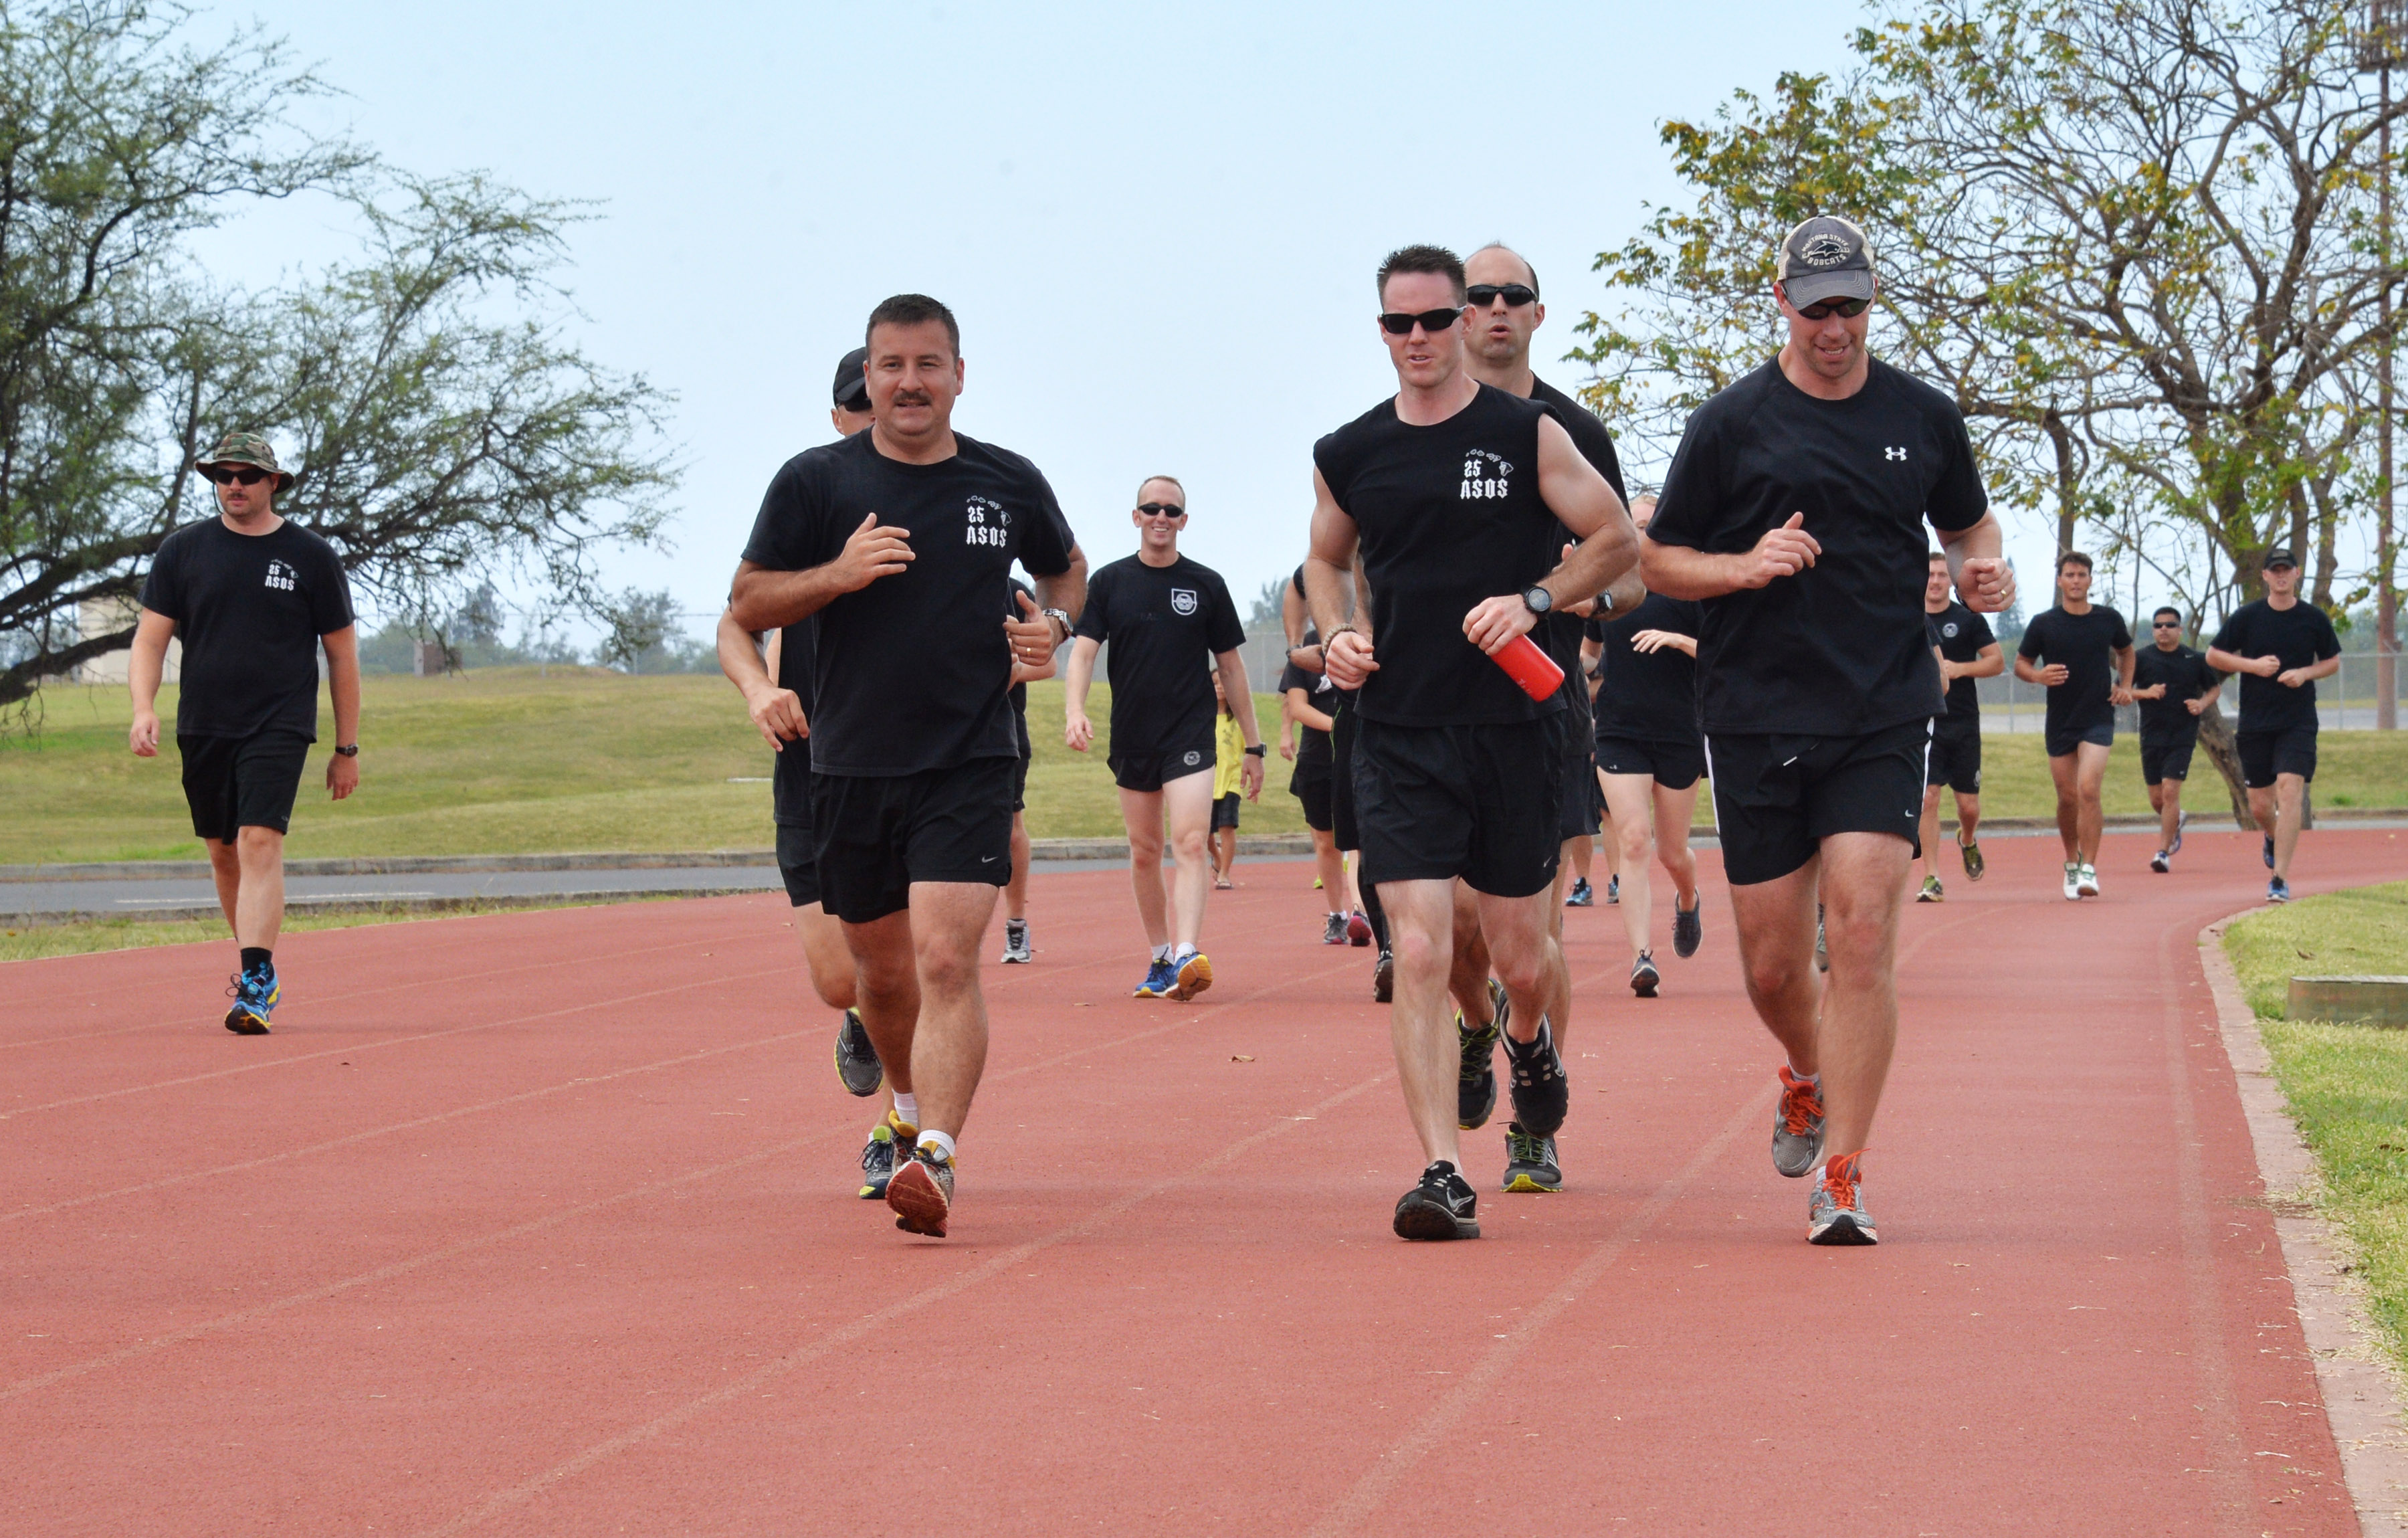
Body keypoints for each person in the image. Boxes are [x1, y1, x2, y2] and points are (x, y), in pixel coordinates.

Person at [1641, 215, 2012, 1246]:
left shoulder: (1923, 416)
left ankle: (1842, 1174)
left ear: (1872, 299)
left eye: (1850, 306)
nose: (1835, 327)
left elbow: (1969, 526)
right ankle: (1806, 1070)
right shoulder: (1730, 424)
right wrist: (1743, 566)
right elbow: (1658, 558)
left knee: (1858, 933)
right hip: (1755, 715)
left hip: (1883, 706)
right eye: (1816, 310)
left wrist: (1983, 570)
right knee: (1772, 967)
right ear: (1782, 303)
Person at [728, 293, 1086, 1240]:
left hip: (969, 757)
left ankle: (937, 1152)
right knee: (880, 980)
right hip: (849, 765)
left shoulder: (1006, 480)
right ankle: (904, 1102)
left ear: (959, 375)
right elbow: (748, 601)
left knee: (946, 958)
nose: (910, 382)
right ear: (870, 376)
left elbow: (1068, 568)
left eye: (929, 364)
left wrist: (1054, 625)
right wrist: (837, 574)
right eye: (892, 365)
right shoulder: (815, 483)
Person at [1306, 243, 1641, 1240]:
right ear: (1381, 331)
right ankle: (1442, 1171)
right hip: (1399, 731)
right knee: (1418, 943)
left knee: (1523, 959)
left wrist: (1536, 597)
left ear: (1461, 323)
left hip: (1516, 730)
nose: (1417, 337)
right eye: (1398, 323)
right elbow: (1324, 559)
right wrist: (1338, 630)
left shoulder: (1528, 432)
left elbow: (1618, 542)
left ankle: (1524, 1041)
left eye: (1433, 319)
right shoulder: (1349, 450)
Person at [1453, 241, 1638, 1194]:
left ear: (1536, 312)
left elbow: (1630, 574)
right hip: (1432, 712)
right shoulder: (1414, 424)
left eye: (1512, 295)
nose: (1495, 308)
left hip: (1540, 706)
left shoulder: (1572, 430)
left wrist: (1559, 596)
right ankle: (1473, 1024)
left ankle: (1533, 1117)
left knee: (1534, 939)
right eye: (1478, 295)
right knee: (1453, 930)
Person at [714, 349, 890, 1193]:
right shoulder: (807, 505)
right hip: (811, 768)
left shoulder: (942, 504)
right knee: (840, 978)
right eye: (858, 405)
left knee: (915, 963)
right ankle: (860, 1016)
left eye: (882, 401)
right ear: (837, 416)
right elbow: (734, 624)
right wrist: (759, 689)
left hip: (913, 770)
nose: (871, 419)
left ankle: (902, 1129)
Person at [128, 431, 361, 1035]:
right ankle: (260, 967)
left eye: (248, 475)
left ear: (272, 483)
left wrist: (346, 748)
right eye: (224, 475)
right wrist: (143, 707)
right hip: (204, 723)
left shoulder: (311, 556)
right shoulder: (183, 551)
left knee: (258, 839)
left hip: (279, 722)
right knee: (222, 850)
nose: (234, 484)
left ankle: (255, 982)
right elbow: (150, 639)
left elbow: (342, 655)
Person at [1064, 477, 1264, 999]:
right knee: (1145, 850)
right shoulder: (1110, 582)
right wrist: (1074, 710)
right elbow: (1083, 653)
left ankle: (1186, 953)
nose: (1161, 516)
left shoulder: (1206, 584)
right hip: (1133, 734)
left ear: (1183, 521)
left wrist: (1254, 744)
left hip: (1189, 732)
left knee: (1192, 841)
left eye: (1171, 510)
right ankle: (1160, 955)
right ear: (1136, 516)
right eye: (1151, 508)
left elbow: (1231, 667)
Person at [1583, 498, 1706, 998]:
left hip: (1678, 731)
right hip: (1619, 731)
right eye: (1634, 525)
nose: (1643, 534)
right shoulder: (1608, 592)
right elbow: (1588, 656)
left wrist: (1678, 640)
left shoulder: (1691, 589)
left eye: (1652, 526)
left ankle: (1688, 899)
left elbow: (1722, 654)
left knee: (1673, 852)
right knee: (1634, 840)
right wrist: (1574, 667)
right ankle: (1642, 957)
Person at [2207, 548, 2341, 903]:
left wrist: (2305, 673)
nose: (2281, 576)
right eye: (2275, 571)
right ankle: (2272, 834)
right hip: (2256, 721)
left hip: (2298, 720)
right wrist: (2253, 666)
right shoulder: (2248, 617)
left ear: (2297, 574)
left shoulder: (2313, 618)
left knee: (2290, 789)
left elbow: (2332, 662)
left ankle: (2279, 878)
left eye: (2287, 570)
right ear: (2265, 576)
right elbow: (2214, 655)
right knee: (2260, 807)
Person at [2013, 552, 2133, 901]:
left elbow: (2127, 652)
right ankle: (2071, 861)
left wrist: (2125, 685)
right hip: (2061, 719)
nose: (2076, 580)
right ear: (2060, 581)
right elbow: (2021, 663)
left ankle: (2089, 868)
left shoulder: (2108, 619)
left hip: (2098, 716)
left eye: (2082, 575)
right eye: (2070, 575)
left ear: (2090, 580)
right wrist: (2038, 676)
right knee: (2067, 798)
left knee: (2089, 789)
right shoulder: (2044, 623)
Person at [1916, 549, 2003, 900]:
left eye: (1941, 575)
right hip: (1926, 725)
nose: (1935, 581)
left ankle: (1967, 839)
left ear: (1951, 580)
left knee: (1968, 806)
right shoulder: (1909, 619)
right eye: (1930, 575)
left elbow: (1996, 661)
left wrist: (1959, 669)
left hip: (1964, 724)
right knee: (1928, 798)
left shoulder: (1967, 620)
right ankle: (1932, 877)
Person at [1279, 615, 1354, 941]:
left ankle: (1365, 913)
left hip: (1361, 758)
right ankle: (1338, 916)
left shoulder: (1366, 638)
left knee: (1362, 840)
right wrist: (1340, 728)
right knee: (1326, 842)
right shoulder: (1306, 648)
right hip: (1318, 760)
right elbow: (1297, 707)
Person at [2132, 605, 2221, 874]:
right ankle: (2176, 821)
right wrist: (2145, 693)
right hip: (2151, 735)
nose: (2164, 630)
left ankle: (2162, 852)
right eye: (2158, 625)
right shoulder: (2141, 658)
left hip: (2182, 735)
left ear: (2180, 629)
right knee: (2157, 800)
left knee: (2171, 791)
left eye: (2170, 625)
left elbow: (2214, 689)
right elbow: (2119, 691)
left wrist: (2201, 704)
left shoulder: (2194, 659)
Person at [999, 572, 1051, 962]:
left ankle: (1016, 925)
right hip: (942, 729)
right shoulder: (937, 582)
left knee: (1011, 826)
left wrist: (1013, 672)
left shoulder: (1015, 594)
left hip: (1005, 730)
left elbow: (1046, 665)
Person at [1210, 668, 1245, 888]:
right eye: (1215, 683)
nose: (1219, 687)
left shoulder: (1239, 720)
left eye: (1223, 682)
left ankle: (1224, 874)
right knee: (1204, 833)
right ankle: (1217, 855)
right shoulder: (1203, 718)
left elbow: (1249, 750)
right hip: (1207, 783)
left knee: (1227, 827)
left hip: (1231, 780)